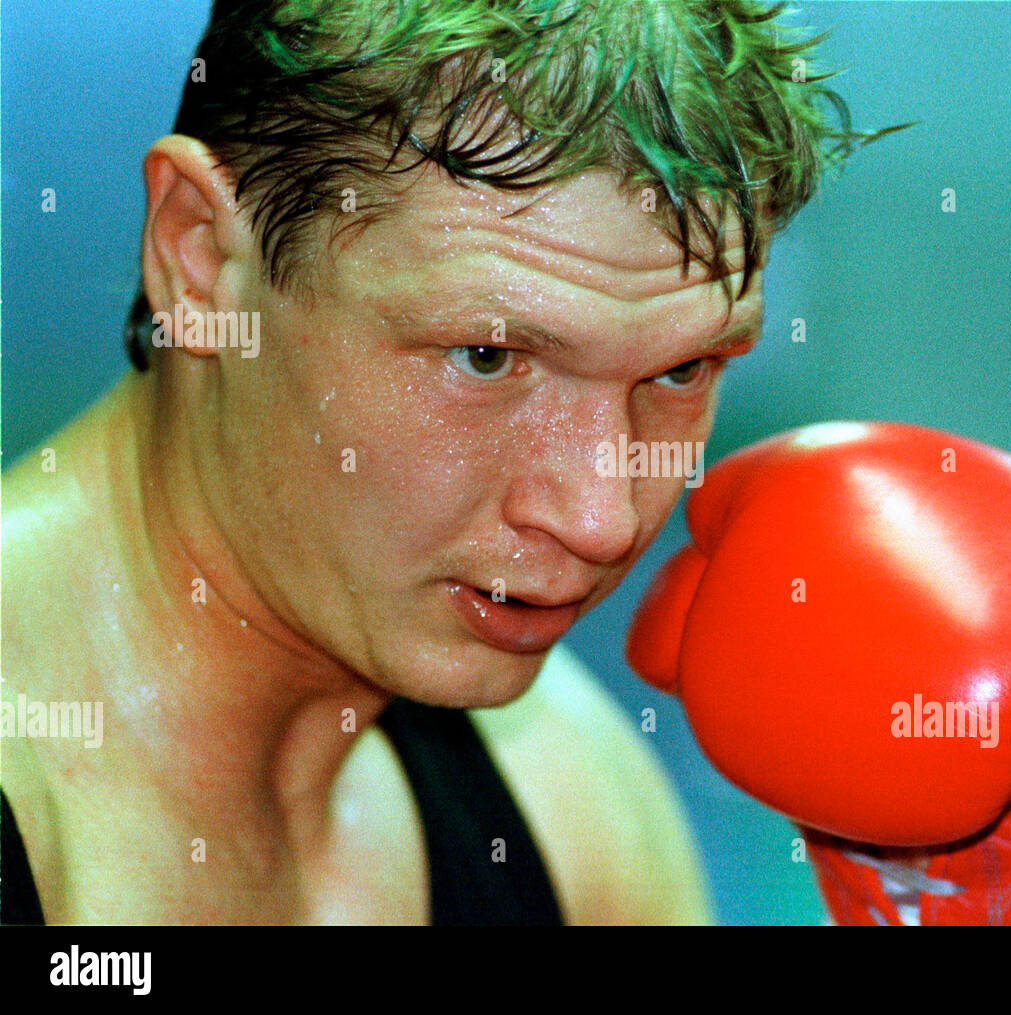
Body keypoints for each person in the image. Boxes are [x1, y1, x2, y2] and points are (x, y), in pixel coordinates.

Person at [0, 0, 882, 924]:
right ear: (202, 259)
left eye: (680, 369)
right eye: (487, 356)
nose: (602, 518)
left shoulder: (567, 797)